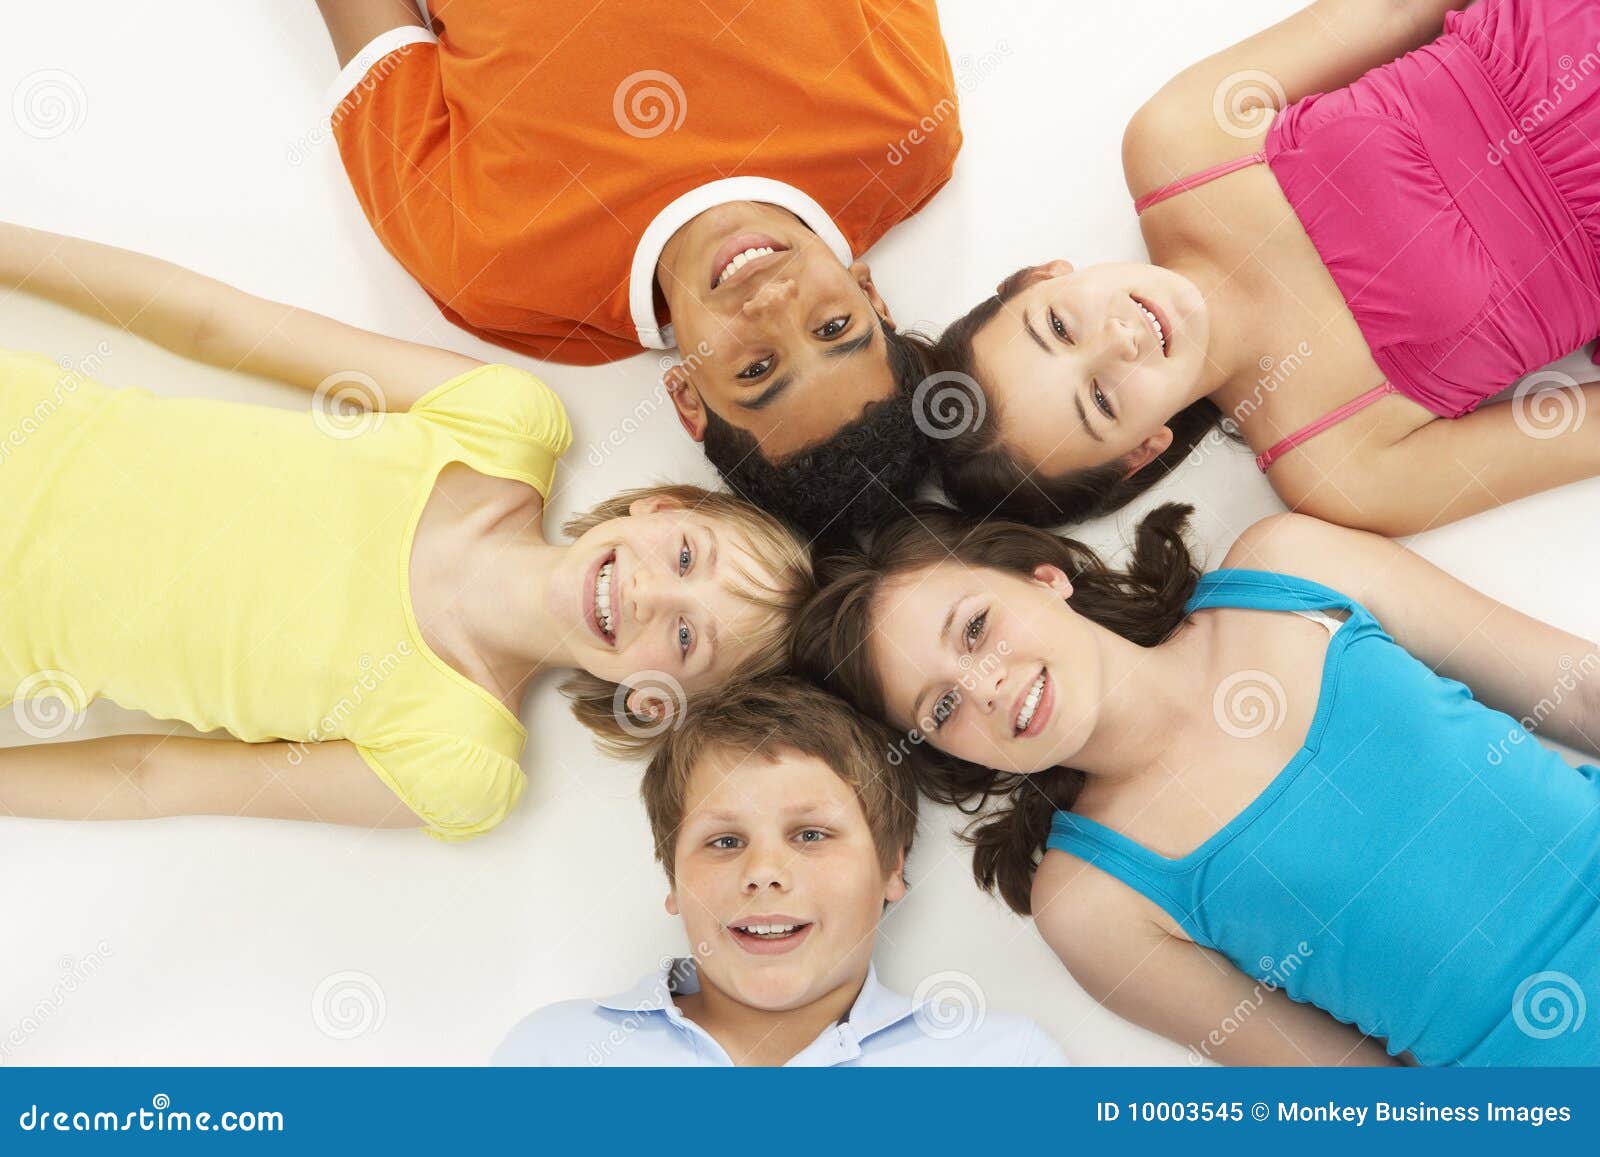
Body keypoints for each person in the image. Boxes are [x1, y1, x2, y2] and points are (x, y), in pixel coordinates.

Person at [0, 222, 813, 838]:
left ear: (655, 699)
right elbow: (219, 324)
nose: (648, 592)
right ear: (663, 509)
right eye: (684, 557)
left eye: (683, 638)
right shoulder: (501, 425)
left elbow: (153, 775)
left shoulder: (456, 760)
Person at [794, 503, 1600, 1065]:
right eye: (941, 706)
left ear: (1047, 577)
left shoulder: (1289, 569)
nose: (987, 687)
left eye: (975, 628)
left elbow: (1581, 690)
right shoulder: (1089, 902)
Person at [928, 0, 1600, 536]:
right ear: (1142, 451)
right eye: (1102, 400)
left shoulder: (1177, 146)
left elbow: (1396, 11)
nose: (1118, 339)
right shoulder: (1339, 469)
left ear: (1043, 275)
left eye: (1059, 325)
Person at [313, 0, 964, 536]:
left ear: (688, 396)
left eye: (756, 368)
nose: (773, 304)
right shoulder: (905, 124)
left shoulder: (496, 268)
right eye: (831, 328)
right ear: (872, 297)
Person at [493, 678, 1068, 1065]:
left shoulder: (1000, 1063)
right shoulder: (556, 1053)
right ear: (673, 880)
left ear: (891, 865)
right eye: (724, 841)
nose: (764, 872)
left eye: (811, 835)